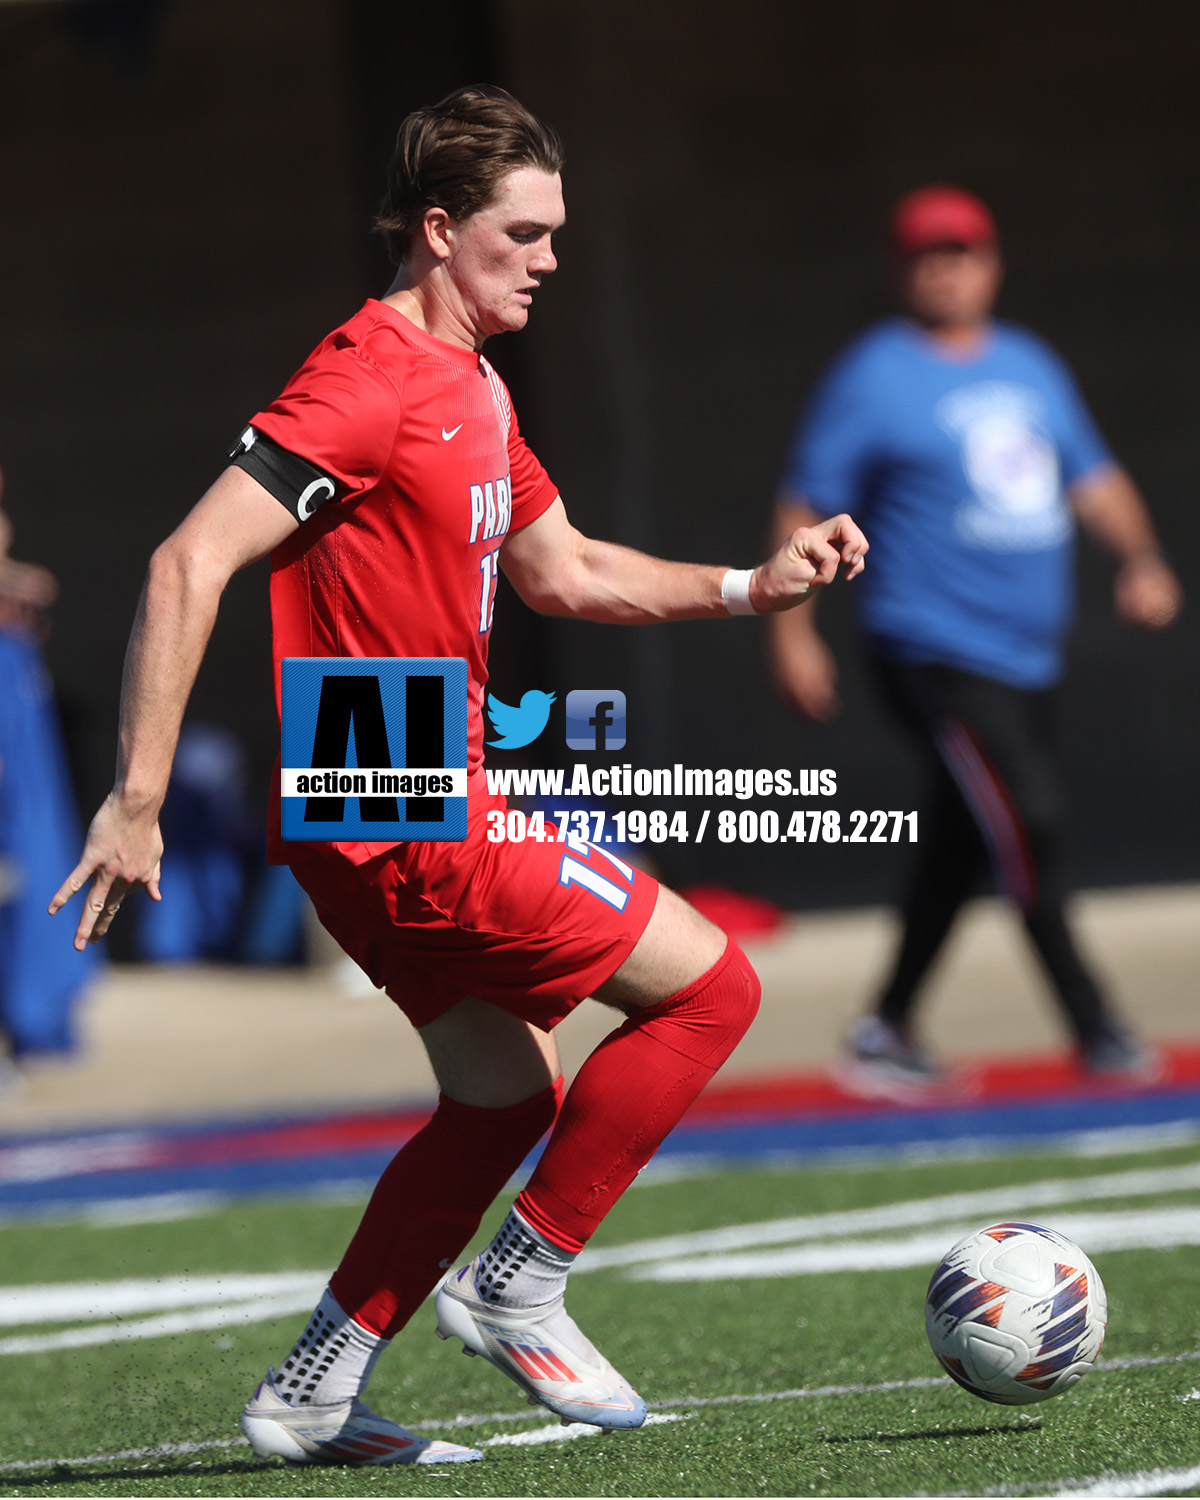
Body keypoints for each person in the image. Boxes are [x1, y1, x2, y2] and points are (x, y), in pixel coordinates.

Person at [51, 86, 867, 1467]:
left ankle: (311, 1390)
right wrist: (136, 799)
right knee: (714, 987)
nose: (551, 259)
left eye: (557, 235)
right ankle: (520, 1281)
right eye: (525, 233)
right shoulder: (368, 379)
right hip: (400, 787)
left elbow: (569, 569)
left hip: (377, 789)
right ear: (440, 231)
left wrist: (753, 585)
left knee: (505, 1100)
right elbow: (185, 560)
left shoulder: (477, 385)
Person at [770, 184, 1182, 1097]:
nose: (946, 270)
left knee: (969, 836)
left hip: (1027, 658)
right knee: (1028, 819)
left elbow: (1095, 477)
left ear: (991, 263)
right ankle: (1097, 1024)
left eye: (961, 253)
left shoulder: (1030, 365)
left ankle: (884, 1029)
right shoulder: (874, 373)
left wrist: (1141, 557)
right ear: (901, 269)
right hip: (930, 649)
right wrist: (793, 636)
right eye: (928, 255)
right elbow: (804, 504)